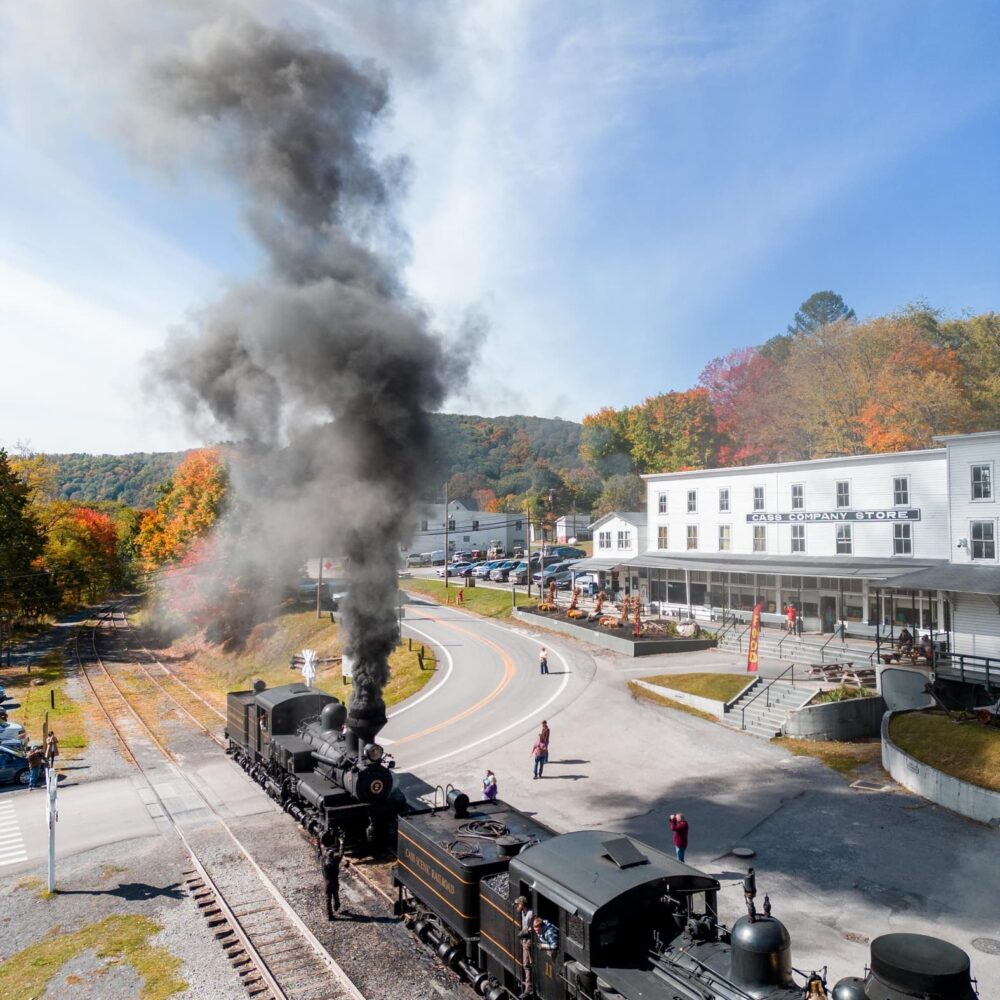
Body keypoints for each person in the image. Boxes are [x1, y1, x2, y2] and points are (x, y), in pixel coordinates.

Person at [515, 895, 535, 998]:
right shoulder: (523, 913)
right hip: (525, 941)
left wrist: (522, 933)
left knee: (527, 965)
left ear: (522, 904)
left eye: (518, 904)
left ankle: (529, 987)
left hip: (528, 941)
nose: (516, 906)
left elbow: (531, 930)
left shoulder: (530, 914)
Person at [321, 841, 342, 918]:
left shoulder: (324, 863)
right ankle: (336, 906)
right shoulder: (336, 861)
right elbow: (341, 854)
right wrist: (342, 843)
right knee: (336, 895)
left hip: (327, 883)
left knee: (328, 899)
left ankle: (329, 915)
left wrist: (321, 848)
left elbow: (321, 856)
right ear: (333, 856)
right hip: (335, 882)